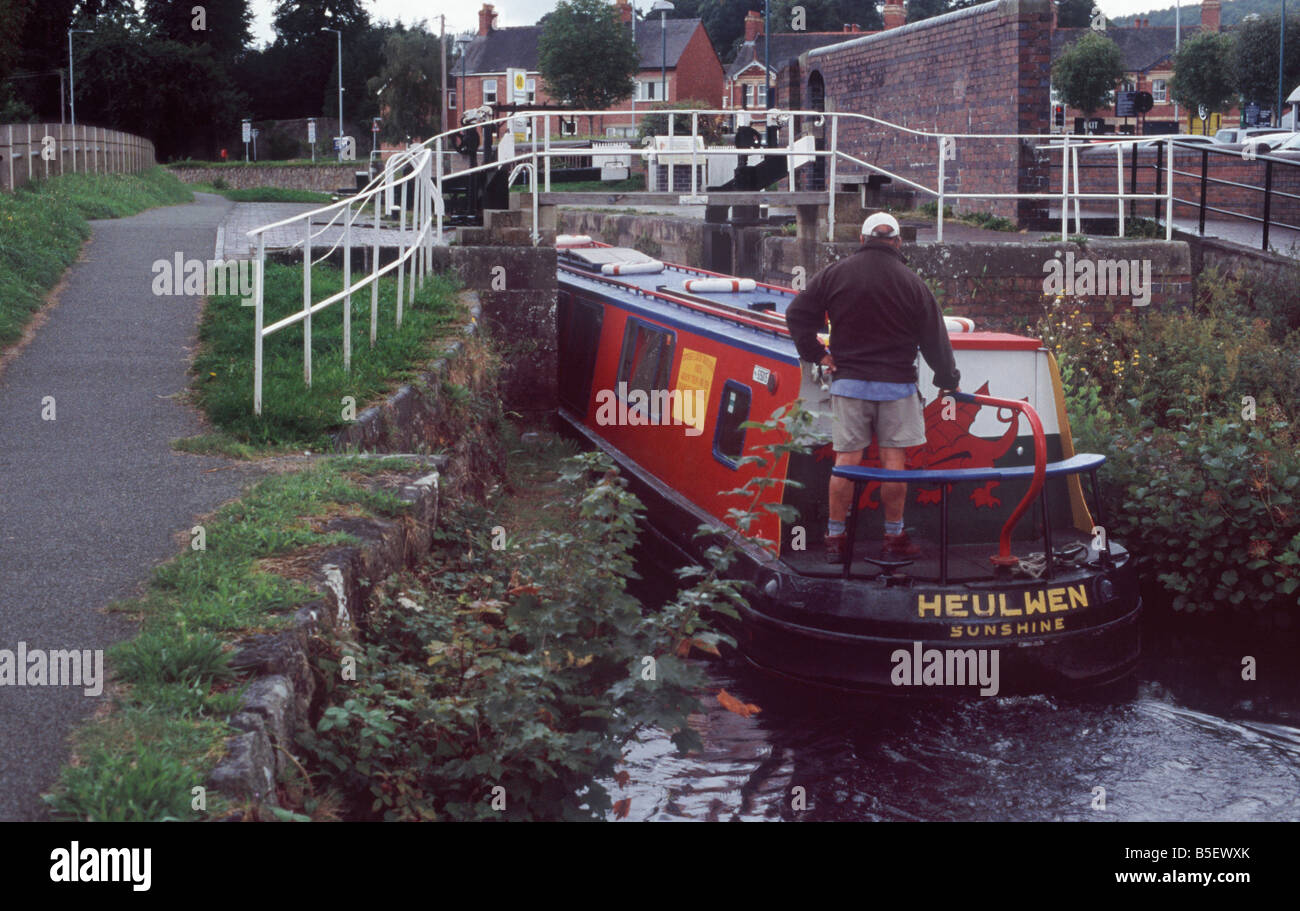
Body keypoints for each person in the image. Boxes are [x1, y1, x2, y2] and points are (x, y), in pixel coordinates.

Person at [785, 212, 961, 563]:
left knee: (846, 461)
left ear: (863, 240)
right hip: (896, 385)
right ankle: (892, 539)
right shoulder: (912, 282)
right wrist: (947, 381)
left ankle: (835, 539)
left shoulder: (835, 274)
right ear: (897, 241)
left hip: (849, 384)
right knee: (894, 463)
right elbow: (934, 340)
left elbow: (796, 313)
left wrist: (817, 354)